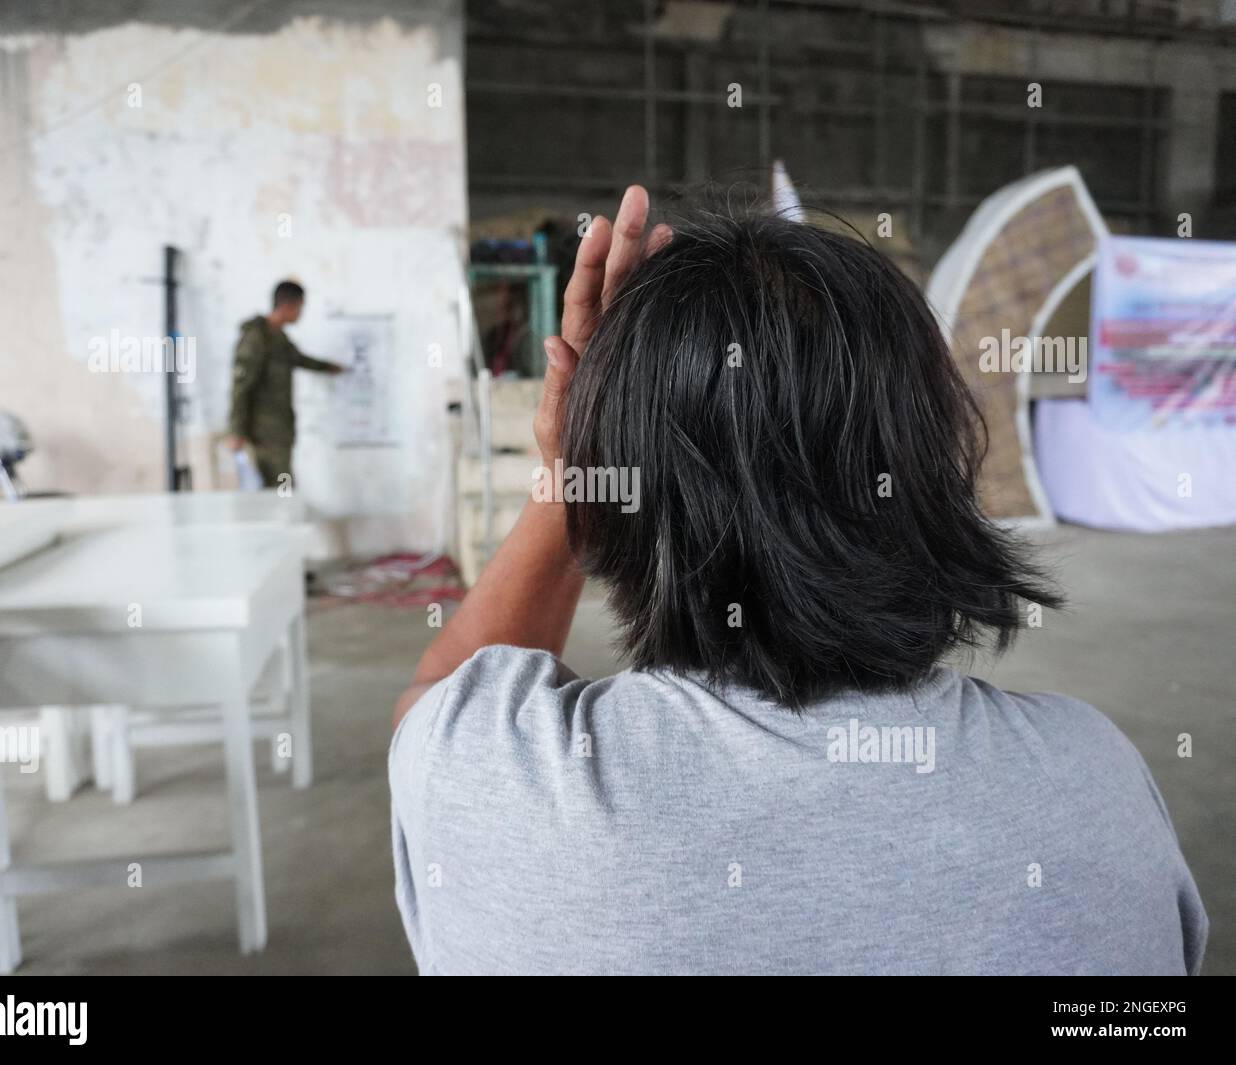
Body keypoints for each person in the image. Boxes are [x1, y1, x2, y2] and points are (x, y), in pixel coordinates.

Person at [388, 186, 1208, 976]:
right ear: (932, 471)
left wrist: (573, 475)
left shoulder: (501, 787)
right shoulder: (1092, 786)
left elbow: (434, 693)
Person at [227, 280, 343, 488]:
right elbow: (240, 388)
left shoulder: (278, 338)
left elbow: (298, 359)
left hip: (279, 429)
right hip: (262, 432)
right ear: (288, 306)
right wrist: (236, 432)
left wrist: (329, 367)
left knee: (280, 482)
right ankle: (285, 517)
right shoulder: (256, 338)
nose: (300, 313)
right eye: (300, 307)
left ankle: (284, 515)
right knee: (282, 484)